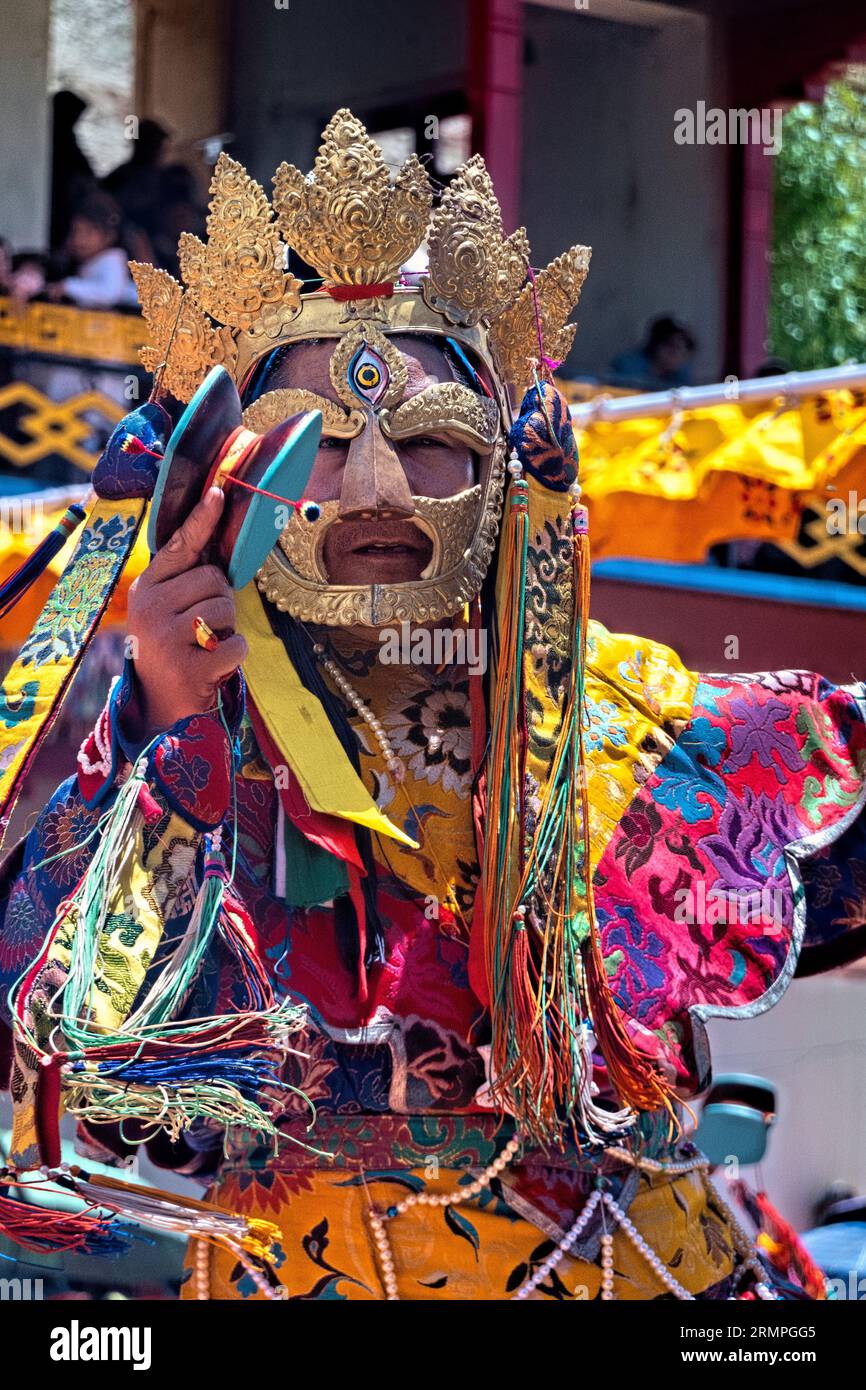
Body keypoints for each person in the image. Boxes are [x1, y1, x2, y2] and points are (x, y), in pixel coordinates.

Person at [1, 110, 864, 1302]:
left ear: (514, 470)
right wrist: (161, 724)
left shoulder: (648, 732)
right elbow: (61, 1028)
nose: (373, 487)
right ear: (219, 482)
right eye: (312, 443)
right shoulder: (176, 747)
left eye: (429, 439)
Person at [610, 313, 697, 390]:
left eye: (686, 347)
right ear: (654, 345)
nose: (678, 353)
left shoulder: (681, 375)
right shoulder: (628, 367)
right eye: (671, 345)